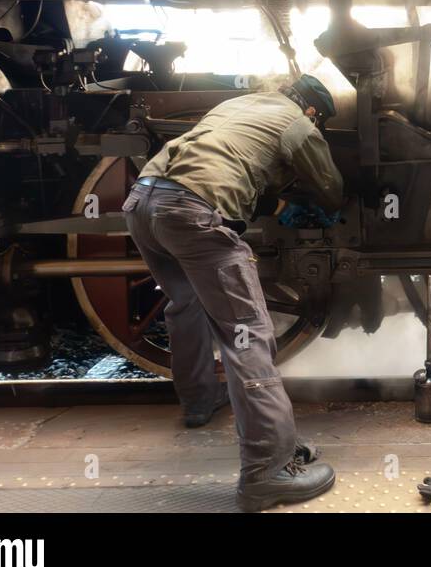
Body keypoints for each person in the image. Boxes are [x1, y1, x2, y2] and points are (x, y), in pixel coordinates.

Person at [122, 73, 344, 512]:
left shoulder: (237, 105)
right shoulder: (298, 123)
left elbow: (228, 158)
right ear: (313, 110)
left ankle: (199, 400)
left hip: (142, 203)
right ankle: (268, 471)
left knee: (185, 302)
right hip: (192, 212)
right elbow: (331, 189)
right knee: (248, 336)